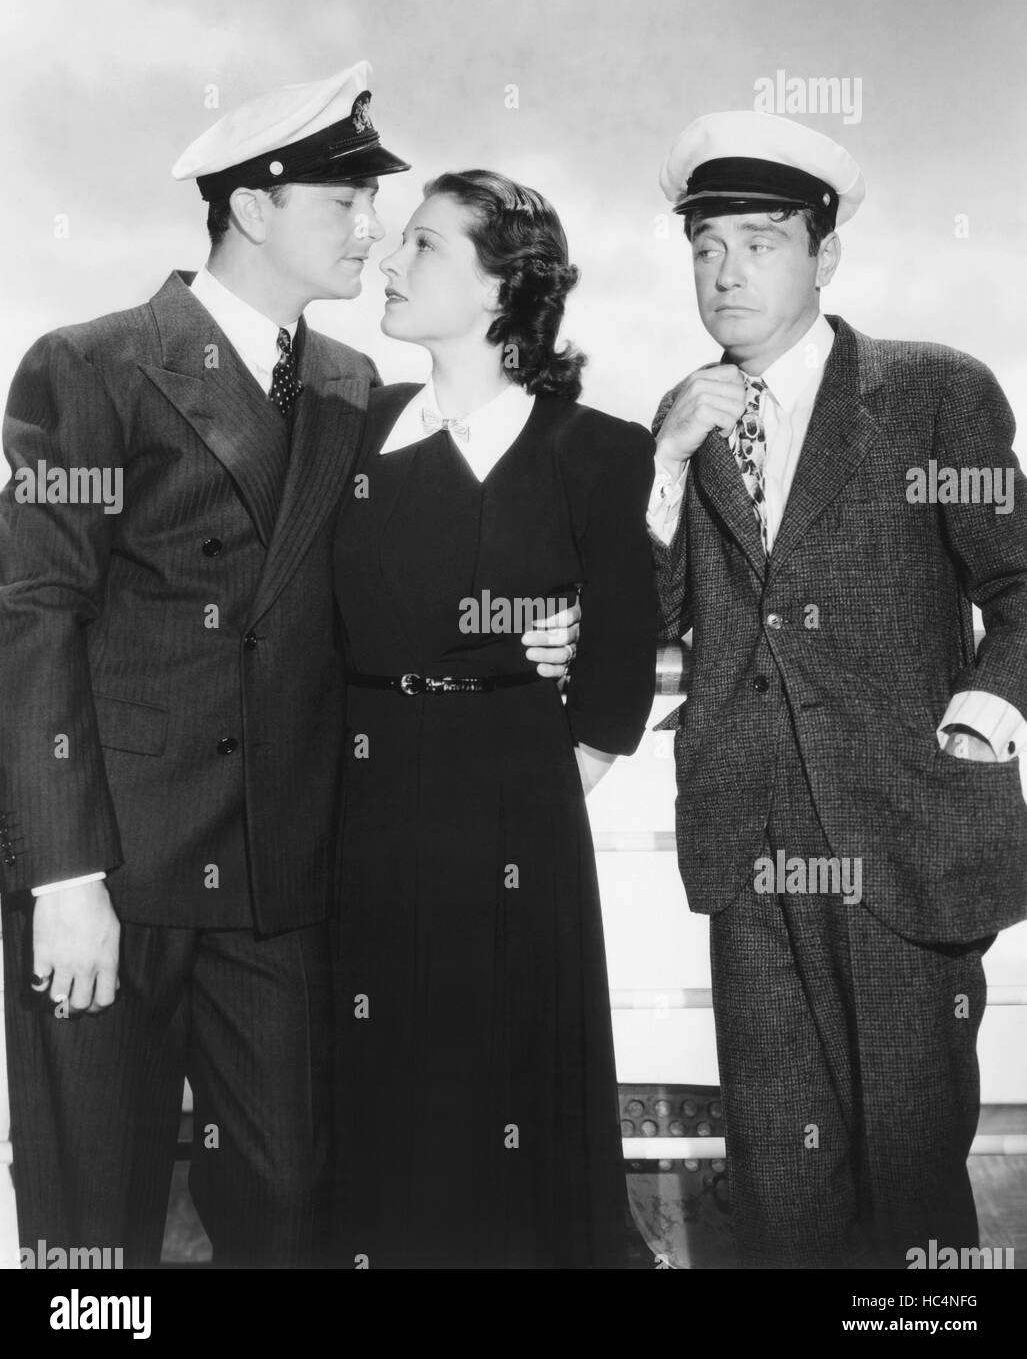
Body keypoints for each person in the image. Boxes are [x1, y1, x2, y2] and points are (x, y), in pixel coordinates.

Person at [0, 65, 574, 1269]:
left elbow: (387, 593)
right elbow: (32, 615)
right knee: (91, 1230)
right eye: (343, 203)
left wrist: (527, 623)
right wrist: (62, 875)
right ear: (252, 209)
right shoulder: (88, 366)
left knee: (295, 1206)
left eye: (377, 209)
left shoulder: (350, 386)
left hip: (281, 882)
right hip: (116, 875)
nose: (372, 230)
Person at [648, 111, 1027, 1268]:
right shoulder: (683, 417)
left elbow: (1018, 585)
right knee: (780, 1188)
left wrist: (972, 728)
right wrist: (660, 469)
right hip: (749, 846)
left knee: (910, 1182)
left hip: (903, 841)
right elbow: (648, 624)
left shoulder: (930, 393)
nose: (726, 273)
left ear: (825, 255)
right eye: (706, 245)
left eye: (759, 242)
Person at [331, 169, 658, 1269]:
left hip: (515, 809)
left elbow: (616, 676)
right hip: (359, 797)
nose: (390, 259)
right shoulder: (348, 429)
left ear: (497, 287)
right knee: (379, 1084)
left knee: (511, 1079)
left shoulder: (595, 450)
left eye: (422, 244)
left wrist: (530, 788)